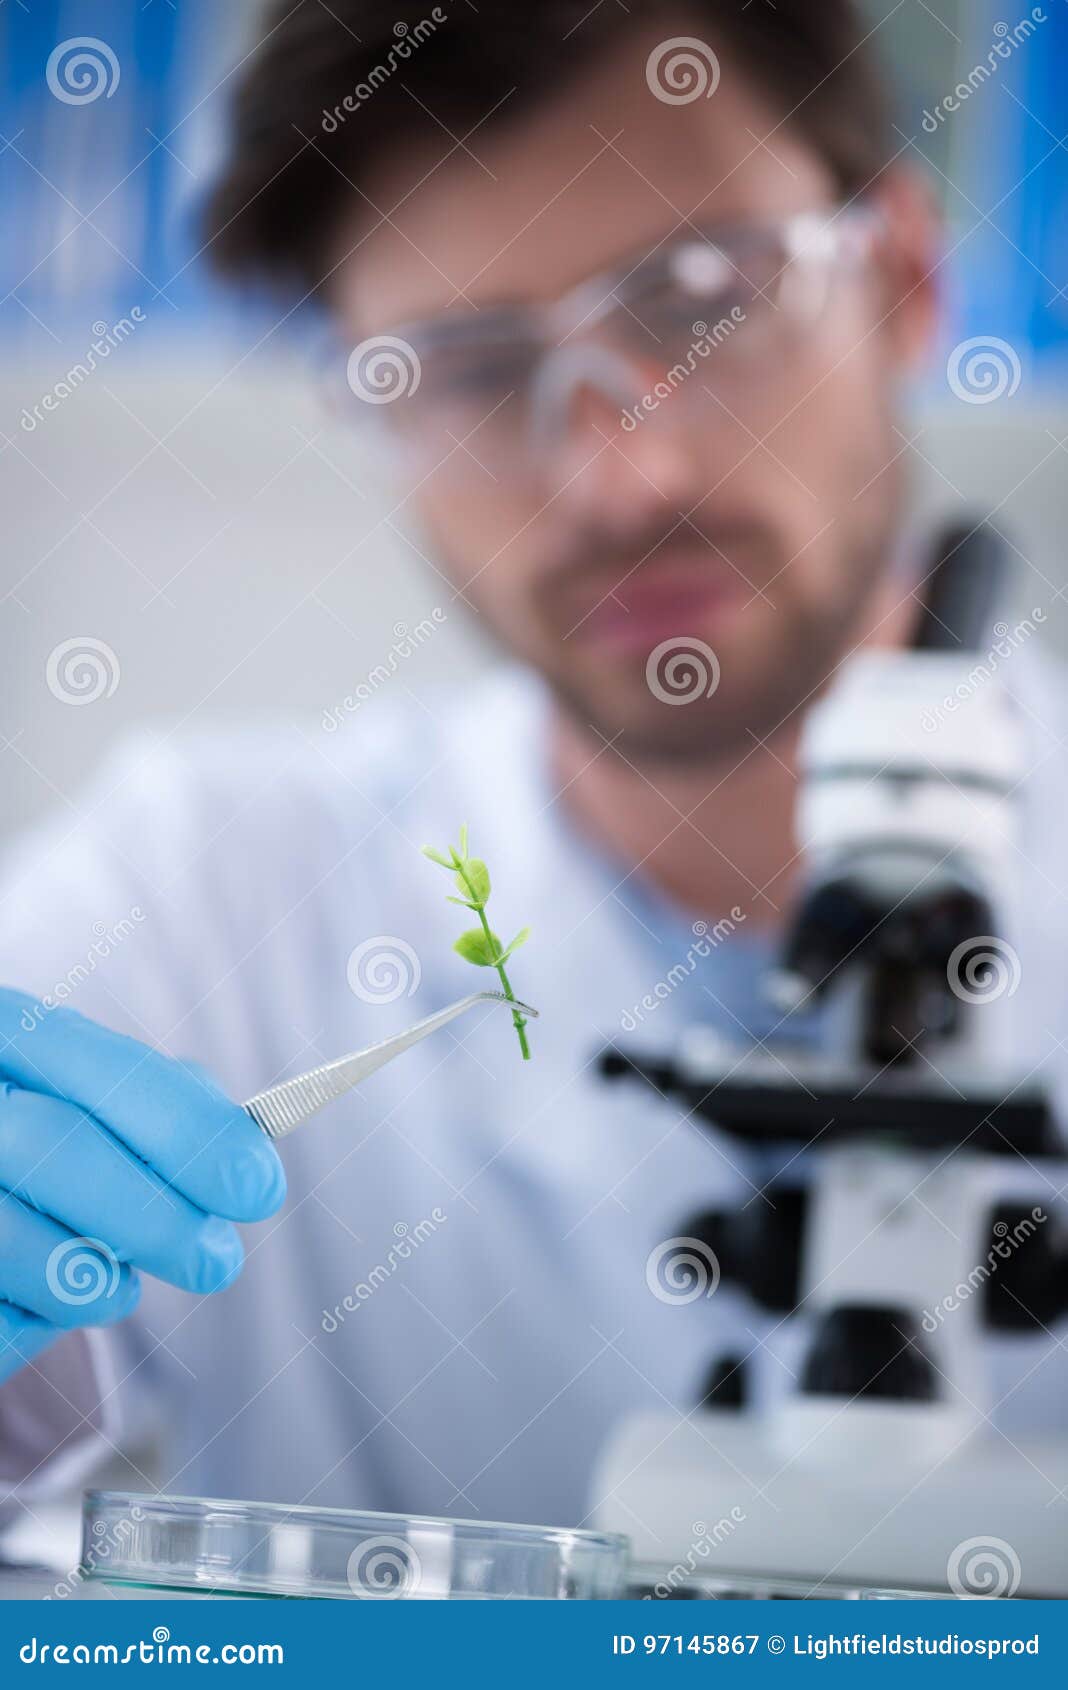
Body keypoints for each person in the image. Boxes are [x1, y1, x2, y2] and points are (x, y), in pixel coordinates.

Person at [1, 0, 1065, 1535]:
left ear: (901, 277)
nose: (623, 472)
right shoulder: (195, 904)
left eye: (703, 300)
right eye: (469, 369)